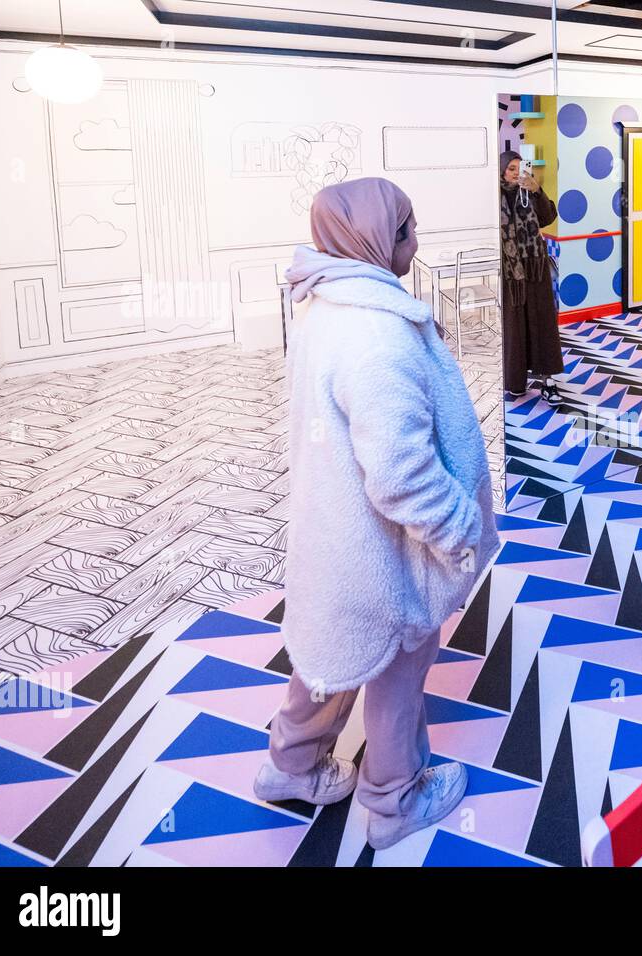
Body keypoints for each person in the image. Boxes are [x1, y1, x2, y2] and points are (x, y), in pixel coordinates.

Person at [253, 177, 499, 850]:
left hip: (335, 536)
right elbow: (399, 474)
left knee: (333, 650)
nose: (417, 243)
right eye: (409, 230)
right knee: (398, 666)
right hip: (383, 549)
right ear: (380, 239)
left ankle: (290, 765)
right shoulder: (378, 338)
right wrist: (458, 530)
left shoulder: (325, 305)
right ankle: (395, 803)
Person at [499, 151, 564, 404]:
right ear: (502, 171)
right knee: (515, 326)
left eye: (519, 167)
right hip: (510, 271)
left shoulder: (530, 192)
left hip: (536, 268)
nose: (516, 173)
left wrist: (537, 190)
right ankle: (516, 381)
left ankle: (548, 382)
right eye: (511, 168)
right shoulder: (498, 196)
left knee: (543, 323)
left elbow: (547, 218)